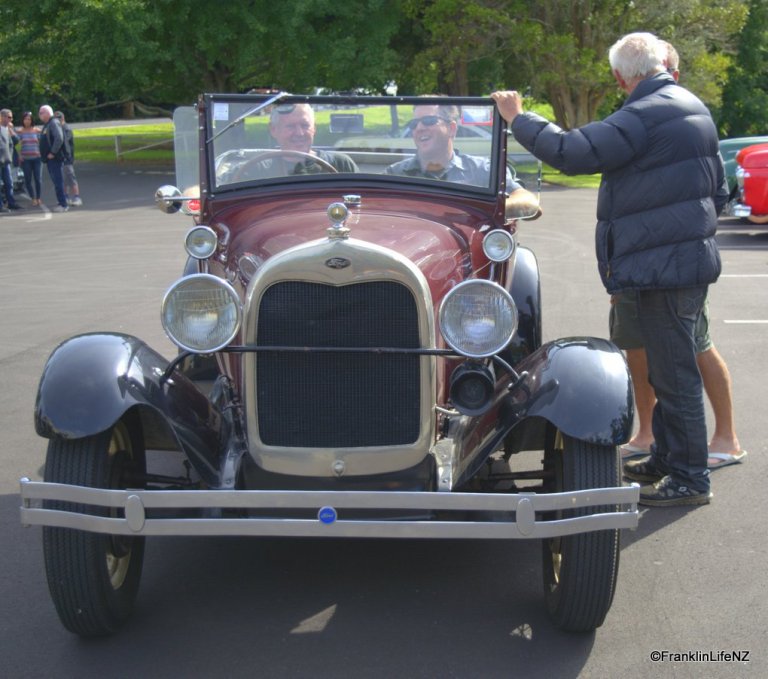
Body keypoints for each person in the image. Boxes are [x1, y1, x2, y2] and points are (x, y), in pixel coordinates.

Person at [493, 31, 728, 506]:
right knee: (667, 368)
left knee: (675, 374)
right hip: (678, 262)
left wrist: (519, 119)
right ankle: (668, 457)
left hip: (665, 266)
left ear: (621, 77)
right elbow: (719, 190)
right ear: (663, 63)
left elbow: (572, 152)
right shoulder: (690, 106)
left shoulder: (644, 113)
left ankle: (689, 478)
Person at [610, 41, 745, 470]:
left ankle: (726, 438)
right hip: (637, 264)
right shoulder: (635, 121)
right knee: (635, 343)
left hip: (671, 264)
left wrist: (680, 231)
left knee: (692, 347)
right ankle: (650, 436)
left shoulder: (686, 121)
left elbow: (717, 191)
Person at [385, 102, 540, 215]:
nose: (419, 128)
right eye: (414, 123)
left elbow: (527, 200)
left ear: (451, 129)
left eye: (429, 121)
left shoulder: (483, 171)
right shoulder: (395, 174)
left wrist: (485, 209)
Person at [266, 103, 357, 174]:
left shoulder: (341, 164)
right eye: (290, 126)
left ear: (314, 128)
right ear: (273, 130)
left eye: (305, 125)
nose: (299, 133)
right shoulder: (261, 169)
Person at [38, 105, 69, 212]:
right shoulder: (48, 124)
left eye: (41, 113)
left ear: (47, 113)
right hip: (50, 159)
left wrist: (52, 152)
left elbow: (59, 138)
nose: (39, 115)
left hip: (55, 158)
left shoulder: (53, 123)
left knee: (58, 181)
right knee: (56, 181)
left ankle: (63, 204)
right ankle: (61, 201)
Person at [55, 111, 82, 206]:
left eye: (59, 118)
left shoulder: (66, 129)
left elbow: (64, 141)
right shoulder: (59, 129)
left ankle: (77, 197)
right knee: (63, 178)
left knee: (71, 177)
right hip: (61, 157)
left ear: (62, 118)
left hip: (67, 157)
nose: (57, 120)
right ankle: (65, 196)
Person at [17, 111, 43, 206]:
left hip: (37, 158)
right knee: (28, 180)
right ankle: (33, 198)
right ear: (22, 120)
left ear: (32, 120)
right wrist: (19, 156)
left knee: (38, 179)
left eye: (29, 119)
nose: (27, 121)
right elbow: (17, 145)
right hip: (26, 159)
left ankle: (39, 197)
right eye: (25, 119)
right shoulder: (20, 131)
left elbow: (42, 144)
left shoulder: (37, 130)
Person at [0, 108, 22, 211]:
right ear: (2, 117)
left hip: (6, 161)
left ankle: (11, 203)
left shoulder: (6, 129)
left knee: (9, 183)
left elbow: (15, 141)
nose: (11, 119)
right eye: (9, 117)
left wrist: (10, 129)